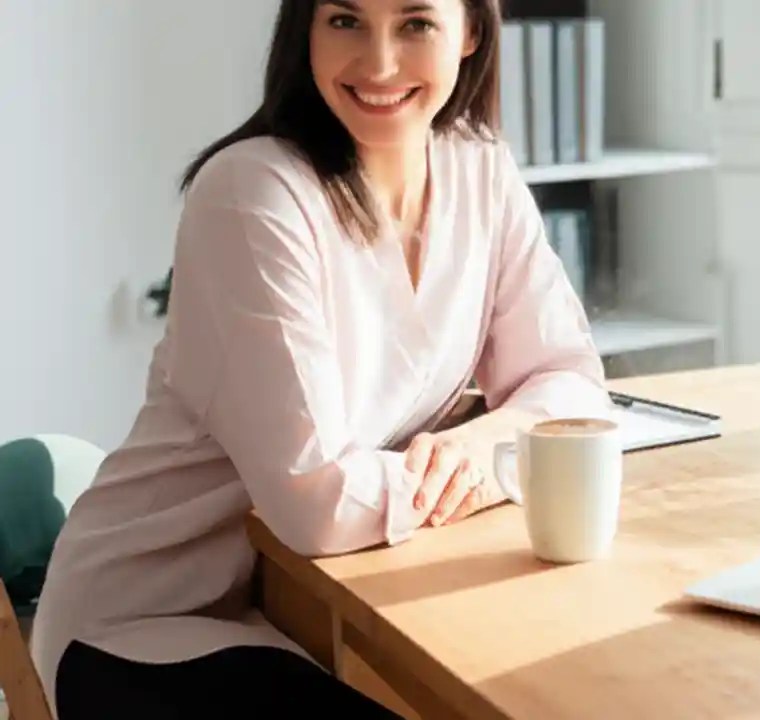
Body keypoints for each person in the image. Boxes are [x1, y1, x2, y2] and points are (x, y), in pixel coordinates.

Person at [30, 0, 609, 716]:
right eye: (344, 20)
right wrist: (501, 460)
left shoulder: (478, 170)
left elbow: (575, 387)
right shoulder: (253, 194)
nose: (380, 63)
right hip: (150, 625)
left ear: (472, 35)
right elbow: (318, 507)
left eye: (416, 23)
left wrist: (481, 445)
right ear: (302, 30)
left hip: (313, 601)